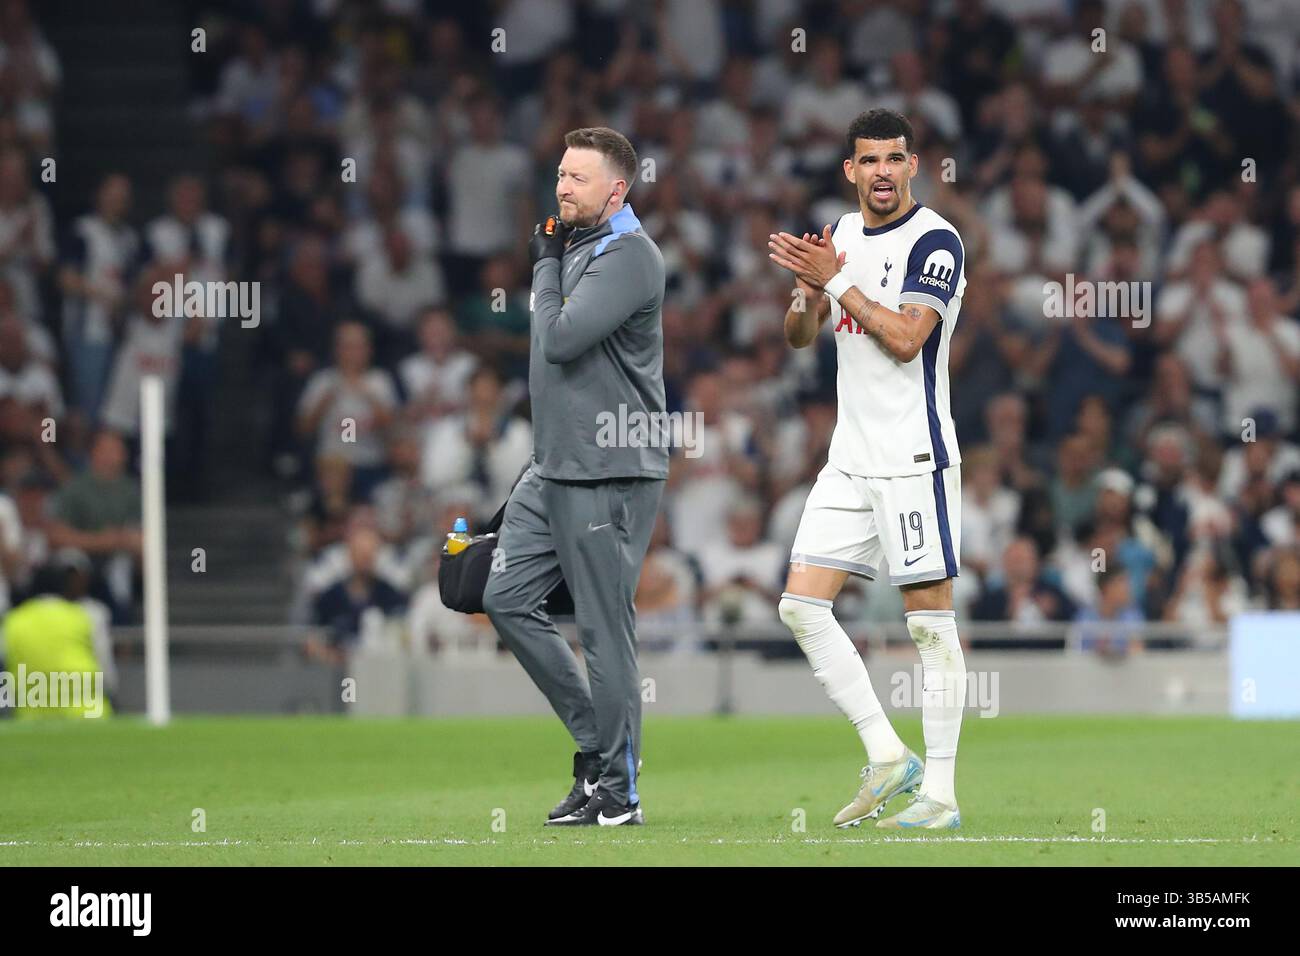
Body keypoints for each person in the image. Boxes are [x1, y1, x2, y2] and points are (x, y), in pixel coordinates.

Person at [767, 109, 968, 829]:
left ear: (913, 166)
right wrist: (805, 288)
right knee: (799, 605)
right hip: (850, 459)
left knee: (930, 628)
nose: (882, 171)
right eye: (868, 160)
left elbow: (909, 339)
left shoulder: (935, 241)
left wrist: (839, 281)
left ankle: (940, 795)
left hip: (914, 457)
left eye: (894, 158)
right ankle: (888, 756)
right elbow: (799, 338)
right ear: (849, 171)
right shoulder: (841, 237)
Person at [482, 127, 666, 827]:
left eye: (579, 179)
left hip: (610, 468)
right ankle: (599, 749)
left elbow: (559, 341)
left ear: (615, 189)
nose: (562, 188)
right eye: (560, 174)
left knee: (602, 626)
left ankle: (618, 793)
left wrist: (543, 266)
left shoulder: (630, 256)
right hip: (555, 463)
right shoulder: (579, 247)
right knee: (503, 596)